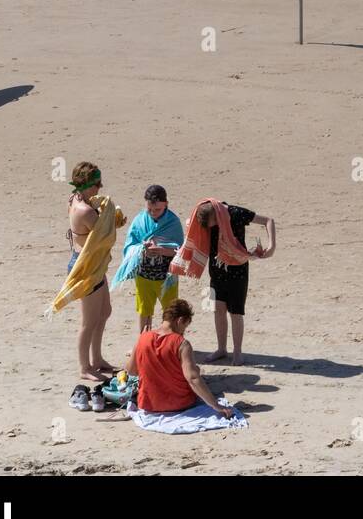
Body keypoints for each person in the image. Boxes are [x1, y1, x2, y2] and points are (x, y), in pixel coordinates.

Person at [178, 199, 276, 367]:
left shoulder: (236, 213)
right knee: (217, 310)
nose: (212, 228)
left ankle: (237, 352)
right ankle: (221, 348)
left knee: (236, 312)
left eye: (212, 224)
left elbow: (268, 221)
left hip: (238, 271)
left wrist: (272, 246)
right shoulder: (206, 215)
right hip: (216, 271)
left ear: (217, 215)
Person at [66, 162, 126, 381]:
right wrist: (116, 219)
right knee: (88, 322)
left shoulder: (75, 198)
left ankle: (97, 359)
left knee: (104, 312)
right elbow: (106, 233)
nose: (99, 189)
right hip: (86, 267)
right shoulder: (85, 210)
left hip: (93, 263)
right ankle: (84, 367)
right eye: (96, 185)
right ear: (86, 184)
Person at [127, 300, 234, 417]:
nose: (183, 332)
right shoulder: (182, 344)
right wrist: (215, 405)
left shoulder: (143, 337)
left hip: (149, 405)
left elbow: (131, 370)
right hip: (179, 404)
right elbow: (193, 379)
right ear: (180, 320)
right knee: (195, 371)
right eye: (185, 326)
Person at [117, 184, 185, 334]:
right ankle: (143, 345)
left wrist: (161, 250)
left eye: (158, 210)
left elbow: (180, 252)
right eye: (150, 209)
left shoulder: (173, 222)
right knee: (144, 311)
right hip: (144, 276)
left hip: (167, 277)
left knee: (171, 313)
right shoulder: (139, 220)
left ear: (166, 204)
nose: (153, 213)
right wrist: (143, 250)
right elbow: (129, 247)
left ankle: (171, 345)